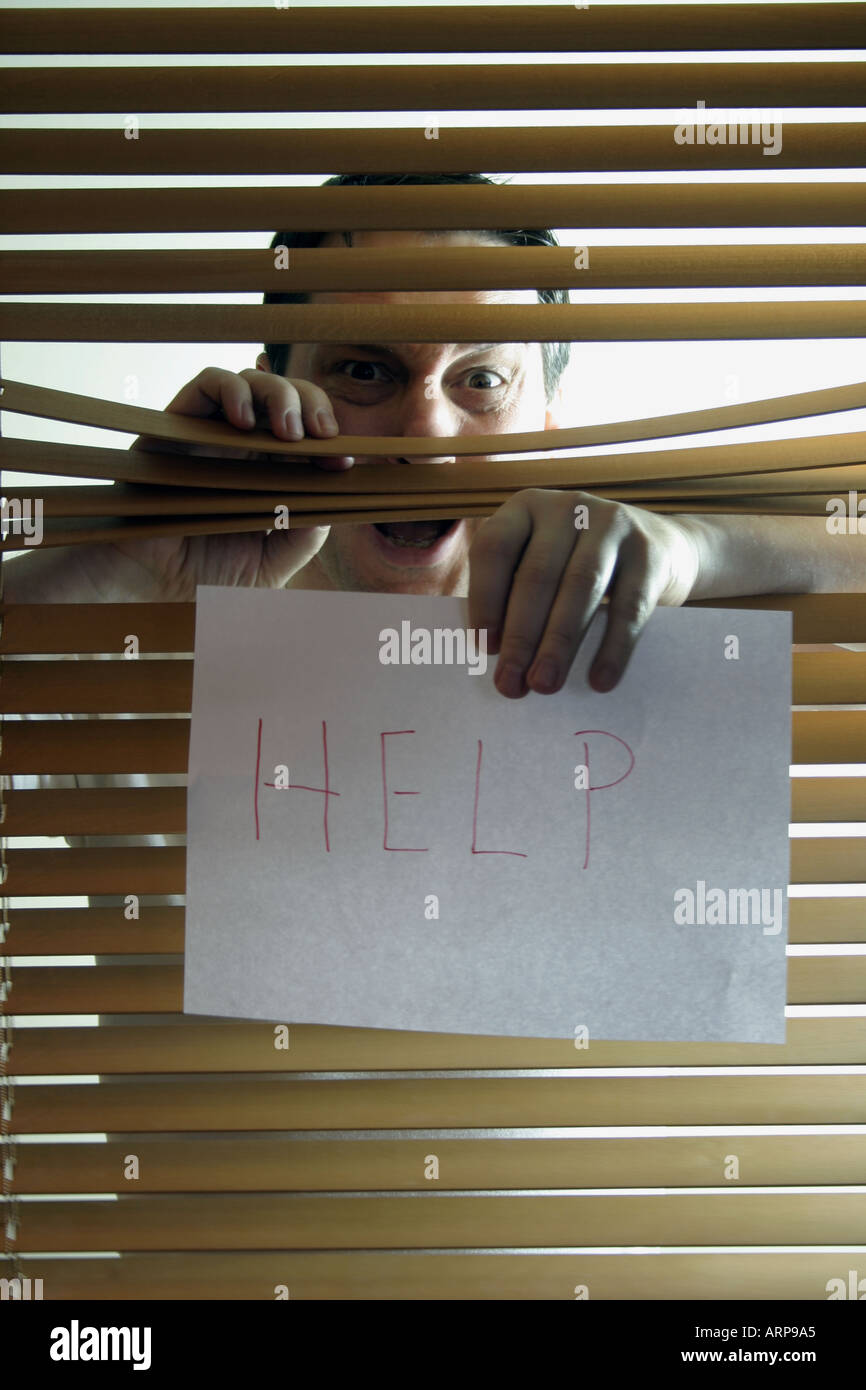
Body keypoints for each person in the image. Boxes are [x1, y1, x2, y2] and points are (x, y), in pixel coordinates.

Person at [7, 172, 865, 700]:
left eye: (482, 379)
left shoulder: (669, 645)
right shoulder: (133, 641)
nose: (425, 436)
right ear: (273, 393)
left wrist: (703, 555)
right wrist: (117, 562)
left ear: (548, 431)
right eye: (363, 371)